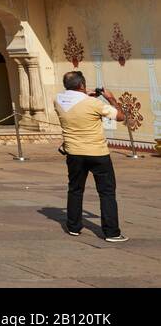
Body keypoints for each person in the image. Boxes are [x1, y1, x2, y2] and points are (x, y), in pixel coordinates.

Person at [55, 70, 127, 242]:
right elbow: (120, 116)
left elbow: (74, 101)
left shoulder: (57, 100)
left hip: (74, 153)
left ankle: (73, 227)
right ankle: (111, 232)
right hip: (97, 153)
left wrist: (85, 94)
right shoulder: (94, 104)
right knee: (106, 192)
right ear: (82, 85)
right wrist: (110, 98)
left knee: (75, 189)